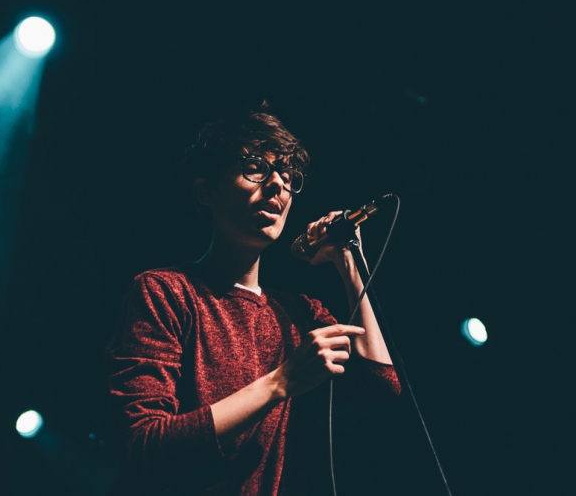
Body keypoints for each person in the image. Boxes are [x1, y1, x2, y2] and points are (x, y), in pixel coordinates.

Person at [105, 106, 400, 495]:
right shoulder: (164, 291)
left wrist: (347, 262)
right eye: (256, 167)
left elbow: (382, 385)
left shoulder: (297, 313)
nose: (277, 185)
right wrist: (280, 383)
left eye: (289, 176)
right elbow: (143, 444)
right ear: (205, 190)